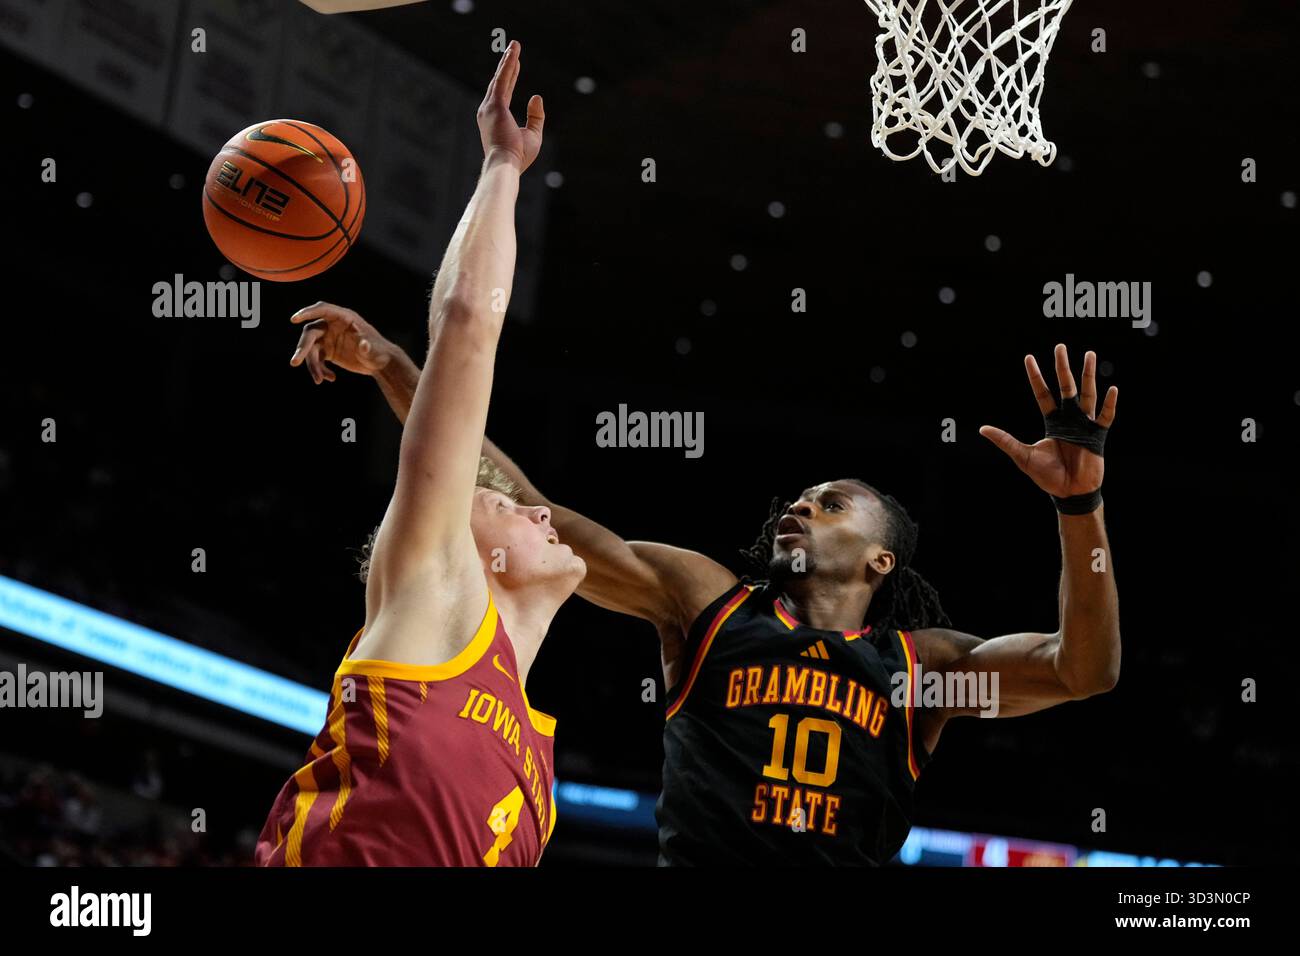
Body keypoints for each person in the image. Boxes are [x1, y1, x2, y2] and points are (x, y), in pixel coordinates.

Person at [256, 40, 586, 867]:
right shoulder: (438, 595)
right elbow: (470, 324)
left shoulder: (538, 764)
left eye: (508, 500)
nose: (537, 505)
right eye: (503, 503)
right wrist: (503, 166)